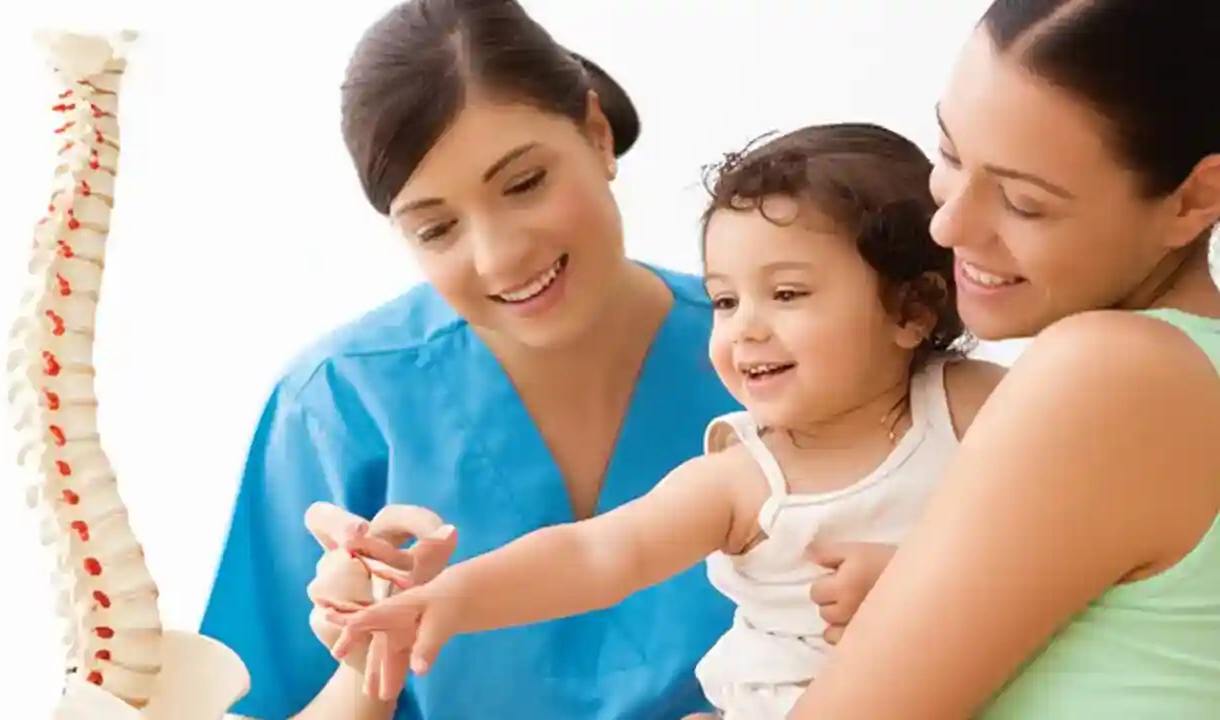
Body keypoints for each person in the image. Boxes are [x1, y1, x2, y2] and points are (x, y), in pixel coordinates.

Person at [320, 123, 1007, 720]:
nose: (747, 331)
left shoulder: (977, 408)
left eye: (788, 294)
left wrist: (920, 583)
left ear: (912, 310)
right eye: (725, 301)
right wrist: (454, 598)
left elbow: (1091, 534)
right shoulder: (744, 479)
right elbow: (597, 554)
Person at [195, 0, 744, 718]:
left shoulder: (778, 361)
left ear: (597, 135)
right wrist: (367, 662)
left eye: (524, 184)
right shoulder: (338, 404)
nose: (498, 255)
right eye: (437, 228)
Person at [780, 1, 1220, 718]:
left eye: (1022, 201)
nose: (948, 222)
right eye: (951, 153)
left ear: (1195, 198)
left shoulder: (1113, 373)